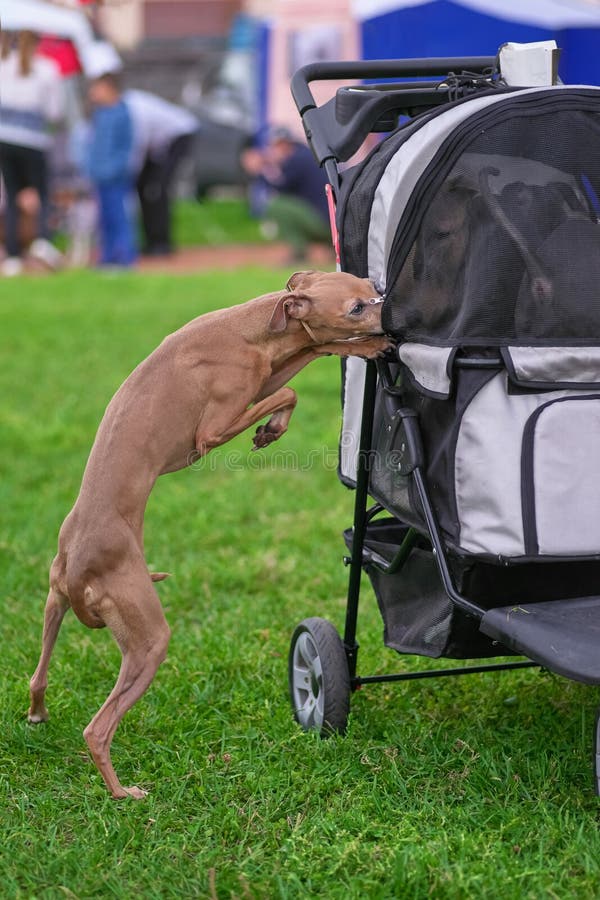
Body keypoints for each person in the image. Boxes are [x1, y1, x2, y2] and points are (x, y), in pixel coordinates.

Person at [0, 30, 65, 276]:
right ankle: (41, 240)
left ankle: (13, 256)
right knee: (42, 192)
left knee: (14, 195)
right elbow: (55, 112)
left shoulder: (3, 64)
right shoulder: (47, 69)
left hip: (4, 139)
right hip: (33, 140)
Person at [124, 90, 199, 256]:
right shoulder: (125, 106)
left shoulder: (135, 110)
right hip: (158, 145)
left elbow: (139, 144)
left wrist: (132, 173)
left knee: (157, 188)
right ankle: (150, 241)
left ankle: (162, 243)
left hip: (179, 135)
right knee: (144, 188)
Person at [241, 126, 331, 263]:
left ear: (285, 144)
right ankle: (331, 246)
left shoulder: (297, 159)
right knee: (293, 204)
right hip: (333, 222)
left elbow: (280, 187)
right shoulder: (306, 155)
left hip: (323, 223)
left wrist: (259, 171)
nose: (273, 151)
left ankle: (299, 252)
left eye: (276, 146)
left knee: (276, 205)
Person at [87, 73, 136, 267]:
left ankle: (124, 256)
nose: (93, 93)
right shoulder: (100, 114)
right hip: (99, 175)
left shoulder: (122, 113)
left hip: (116, 176)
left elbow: (125, 147)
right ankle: (107, 257)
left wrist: (113, 168)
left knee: (119, 216)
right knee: (104, 220)